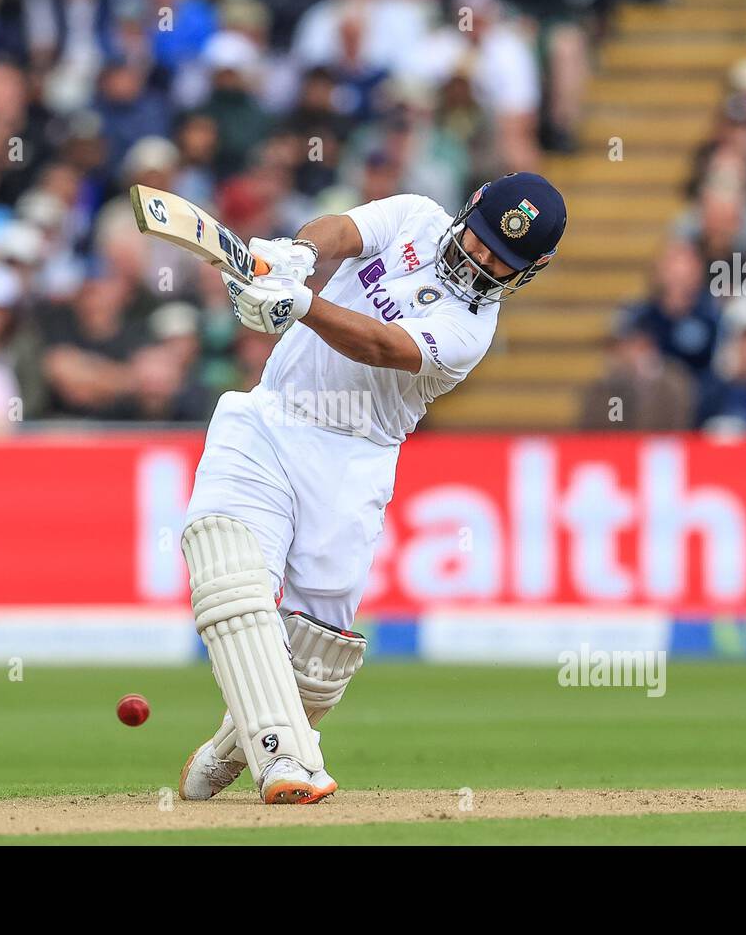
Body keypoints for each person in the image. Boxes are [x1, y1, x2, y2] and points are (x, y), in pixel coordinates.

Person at [177, 172, 565, 804]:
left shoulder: (474, 332)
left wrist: (300, 303)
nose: (482, 257)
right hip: (271, 417)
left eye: (504, 259)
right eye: (481, 238)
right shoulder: (415, 216)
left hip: (355, 459)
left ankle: (227, 753)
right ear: (469, 209)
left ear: (534, 267)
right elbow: (341, 231)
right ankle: (285, 762)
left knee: (318, 663)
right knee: (228, 571)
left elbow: (383, 346)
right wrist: (299, 256)